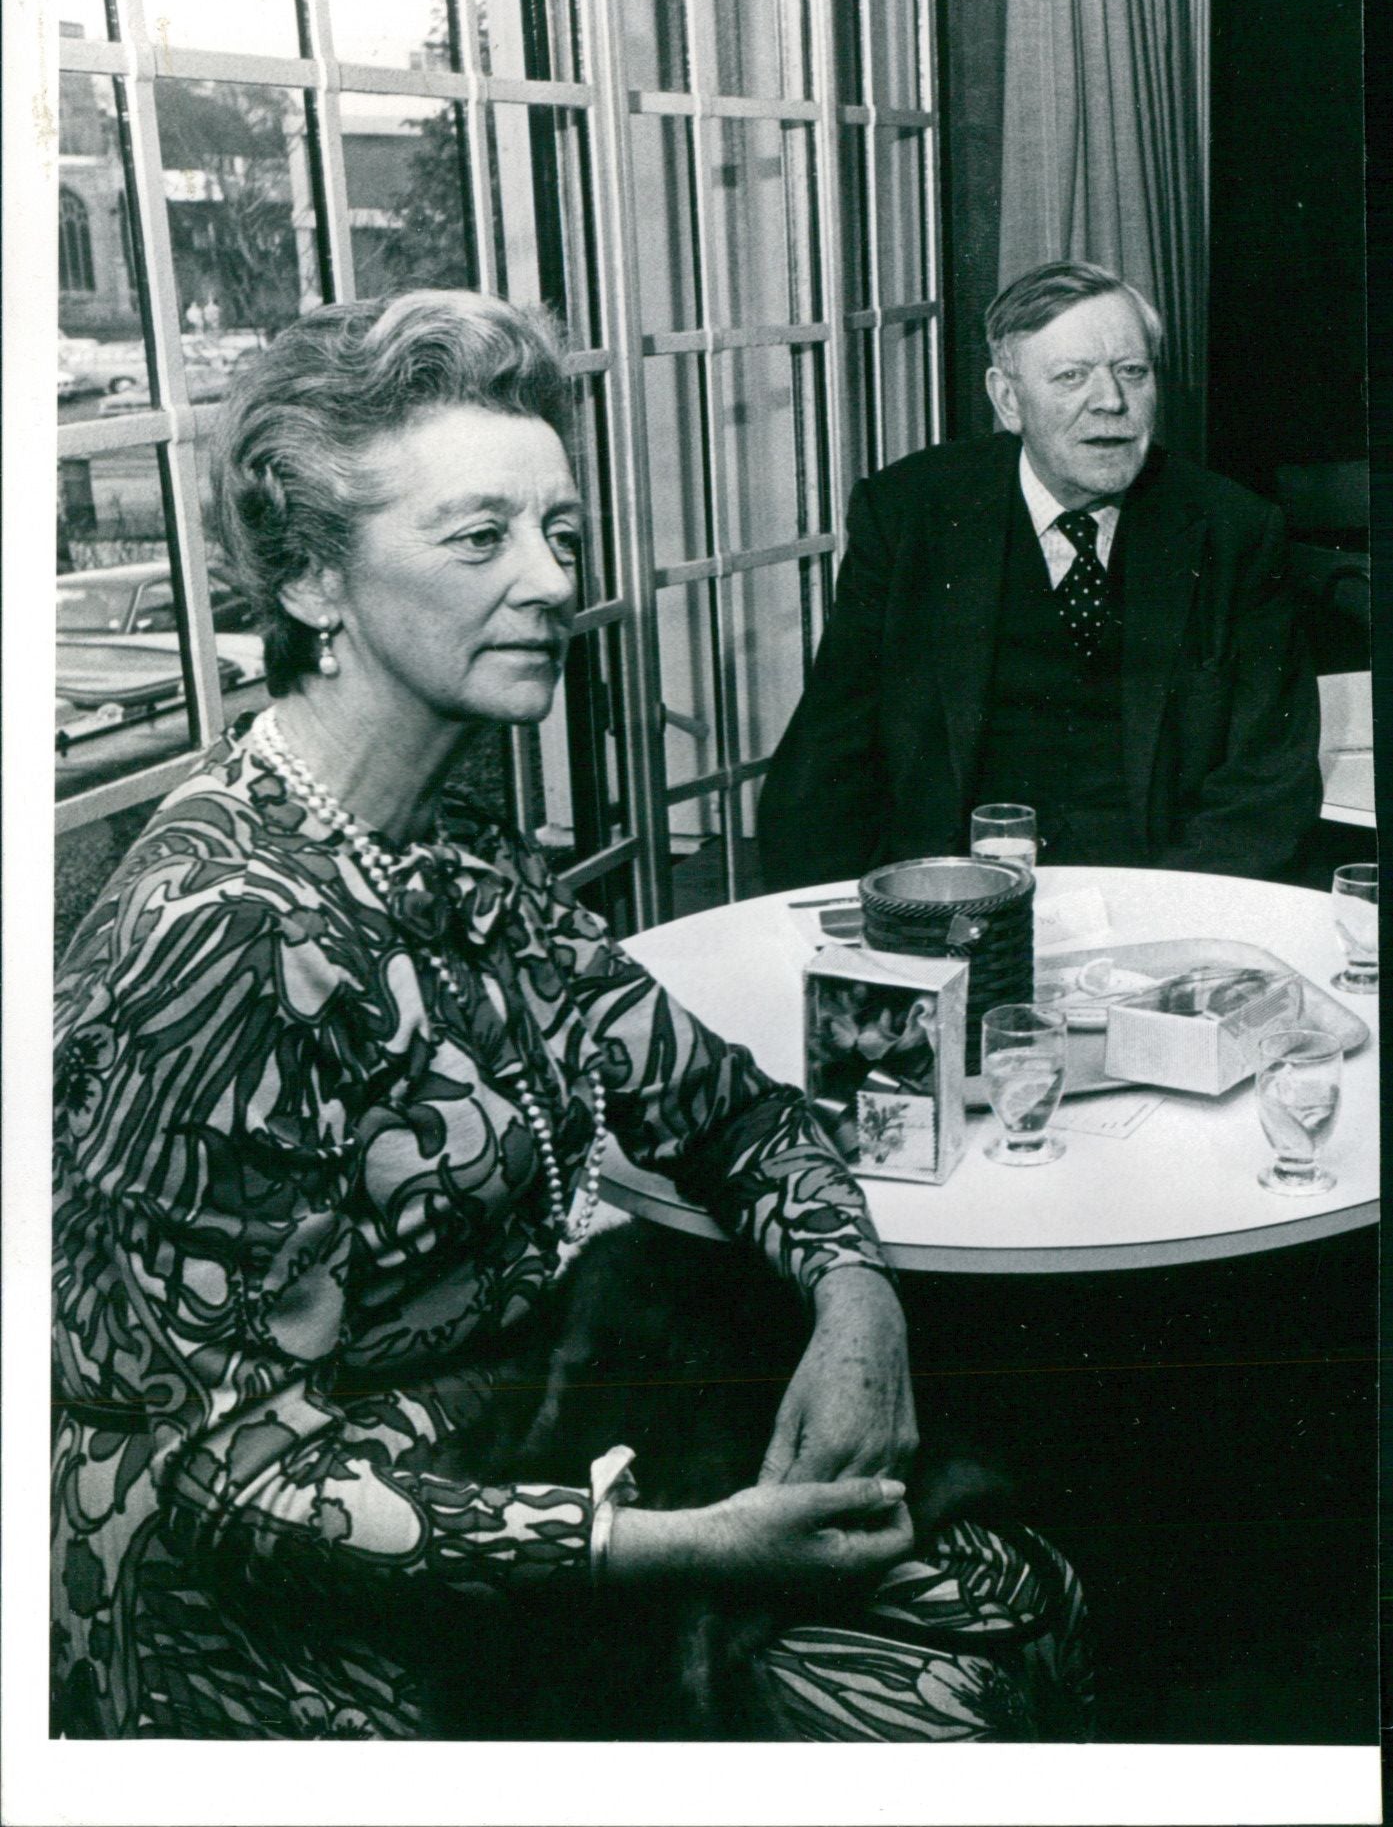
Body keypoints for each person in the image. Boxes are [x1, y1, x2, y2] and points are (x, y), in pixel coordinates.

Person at [52, 290, 1091, 1743]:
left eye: (560, 534)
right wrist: (683, 1547)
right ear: (309, 580)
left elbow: (727, 1108)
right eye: (479, 538)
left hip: (520, 1457)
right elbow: (232, 1482)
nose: (551, 580)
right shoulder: (217, 934)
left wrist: (859, 1302)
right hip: (275, 1627)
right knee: (927, 1708)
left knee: (1011, 1597)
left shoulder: (460, 843)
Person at [758, 260, 1321, 890]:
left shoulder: (1235, 530)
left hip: (1157, 889)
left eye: (1132, 371)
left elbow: (1267, 782)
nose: (1111, 401)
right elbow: (828, 755)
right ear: (1007, 399)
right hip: (953, 893)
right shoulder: (909, 513)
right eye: (1072, 376)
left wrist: (1162, 930)